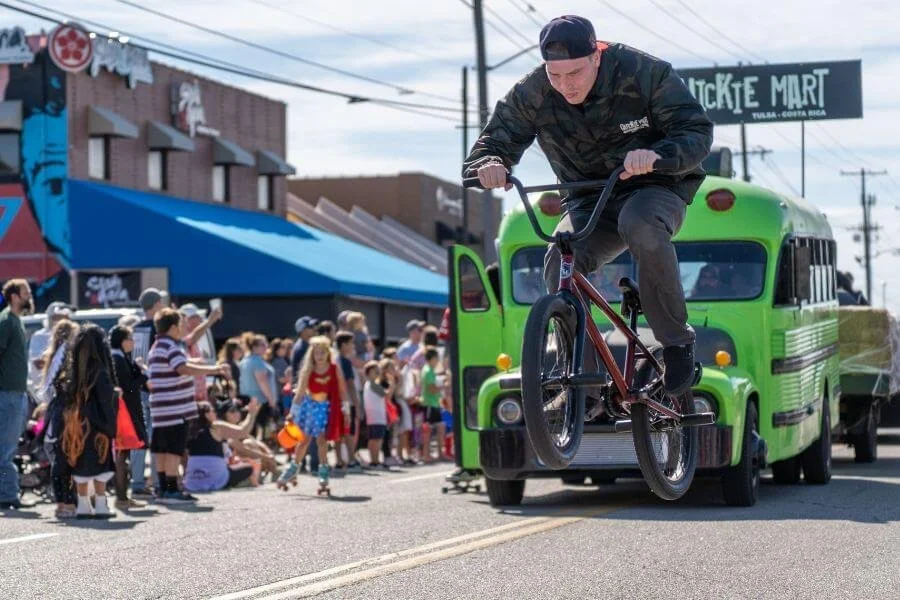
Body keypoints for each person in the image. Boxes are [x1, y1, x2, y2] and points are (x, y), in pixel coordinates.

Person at [463, 15, 713, 395]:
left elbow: (695, 130)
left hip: (656, 185)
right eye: (555, 75)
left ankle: (677, 344)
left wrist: (657, 154)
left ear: (596, 55)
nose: (566, 85)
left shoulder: (644, 72)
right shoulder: (533, 92)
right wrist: (489, 164)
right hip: (588, 198)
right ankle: (576, 368)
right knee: (559, 255)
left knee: (641, 224)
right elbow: (493, 142)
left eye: (575, 73)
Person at [148, 308, 230, 504]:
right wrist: (215, 369)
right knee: (174, 451)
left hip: (161, 409)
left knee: (162, 450)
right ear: (173, 327)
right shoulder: (171, 347)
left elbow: (181, 363)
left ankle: (164, 489)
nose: (184, 326)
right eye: (181, 323)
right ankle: (172, 490)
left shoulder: (159, 345)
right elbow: (182, 368)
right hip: (175, 410)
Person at [60, 325, 119, 519]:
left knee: (80, 463)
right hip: (99, 428)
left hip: (76, 427)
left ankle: (83, 504)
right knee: (101, 463)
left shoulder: (74, 372)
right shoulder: (101, 372)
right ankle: (101, 504)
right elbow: (106, 404)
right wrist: (111, 427)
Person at [281, 336, 346, 489]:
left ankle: (323, 471)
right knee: (304, 441)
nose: (320, 356)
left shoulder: (334, 369)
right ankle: (293, 468)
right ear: (312, 354)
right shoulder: (308, 369)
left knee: (322, 440)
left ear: (328, 353)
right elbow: (300, 392)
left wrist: (346, 406)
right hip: (309, 407)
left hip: (325, 407)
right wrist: (293, 412)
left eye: (323, 352)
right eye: (317, 353)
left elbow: (342, 389)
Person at [0, 279, 36, 510]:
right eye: (26, 292)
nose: (29, 296)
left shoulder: (15, 321)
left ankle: (7, 492)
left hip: (15, 392)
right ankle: (7, 494)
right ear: (14, 296)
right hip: (8, 393)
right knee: (6, 446)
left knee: (8, 445)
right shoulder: (6, 321)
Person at [38, 319, 80, 518]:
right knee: (68, 456)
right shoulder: (67, 354)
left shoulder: (54, 355)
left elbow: (46, 390)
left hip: (55, 409)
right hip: (66, 409)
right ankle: (68, 502)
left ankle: (61, 503)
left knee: (59, 458)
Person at [129, 287, 166, 498]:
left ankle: (137, 481)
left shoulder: (135, 328)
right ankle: (158, 481)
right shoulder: (158, 329)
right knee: (155, 435)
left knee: (139, 436)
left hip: (137, 387)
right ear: (157, 304)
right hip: (154, 387)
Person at [108, 325, 149, 510]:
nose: (133, 341)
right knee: (121, 454)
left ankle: (123, 496)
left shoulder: (119, 357)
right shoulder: (117, 358)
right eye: (130, 338)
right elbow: (129, 386)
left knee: (123, 454)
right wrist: (144, 374)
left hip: (125, 410)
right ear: (122, 340)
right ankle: (122, 497)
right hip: (125, 411)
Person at [183, 400, 260, 493]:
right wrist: (251, 414)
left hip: (192, 480)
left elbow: (184, 458)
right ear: (206, 415)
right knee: (249, 467)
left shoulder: (189, 429)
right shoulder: (215, 426)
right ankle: (252, 485)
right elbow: (242, 432)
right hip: (218, 479)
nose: (215, 413)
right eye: (213, 411)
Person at [290, 316, 319, 471]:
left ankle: (304, 463)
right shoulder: (303, 348)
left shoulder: (305, 346)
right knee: (310, 429)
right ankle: (312, 463)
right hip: (305, 394)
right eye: (310, 327)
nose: (314, 329)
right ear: (302, 330)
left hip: (304, 393)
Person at [179, 303, 223, 404]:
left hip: (199, 396)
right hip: (190, 397)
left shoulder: (193, 338)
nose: (200, 319)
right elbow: (192, 338)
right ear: (187, 320)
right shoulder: (181, 340)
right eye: (196, 316)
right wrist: (210, 321)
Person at [27, 301, 72, 393]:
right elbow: (38, 363)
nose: (67, 320)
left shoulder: (72, 336)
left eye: (67, 317)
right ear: (53, 318)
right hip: (44, 389)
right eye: (62, 317)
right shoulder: (39, 336)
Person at [238, 335, 278, 439]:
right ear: (254, 347)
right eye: (263, 344)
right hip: (260, 401)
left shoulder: (245, 360)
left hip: (247, 399)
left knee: (251, 430)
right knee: (261, 431)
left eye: (266, 344)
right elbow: (262, 382)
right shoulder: (257, 362)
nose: (266, 346)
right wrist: (271, 400)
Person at [335, 331, 363, 471]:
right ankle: (351, 460)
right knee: (348, 431)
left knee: (339, 431)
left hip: (337, 401)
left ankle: (340, 460)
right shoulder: (344, 361)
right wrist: (357, 405)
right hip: (347, 401)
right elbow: (350, 384)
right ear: (344, 344)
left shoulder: (335, 359)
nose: (353, 346)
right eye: (351, 343)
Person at [418, 347, 448, 464]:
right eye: (437, 358)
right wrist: (442, 385)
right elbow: (431, 389)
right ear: (433, 358)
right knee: (428, 430)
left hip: (434, 403)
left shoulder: (429, 370)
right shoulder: (428, 371)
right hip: (429, 404)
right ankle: (426, 455)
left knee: (440, 428)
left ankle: (440, 453)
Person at [362, 361, 389, 469]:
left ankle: (374, 460)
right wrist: (392, 384)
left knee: (375, 439)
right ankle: (375, 461)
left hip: (374, 416)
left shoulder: (369, 384)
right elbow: (386, 394)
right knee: (376, 439)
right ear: (369, 372)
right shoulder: (372, 384)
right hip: (376, 417)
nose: (378, 373)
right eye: (375, 371)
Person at [265, 338, 293, 415]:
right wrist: (291, 379)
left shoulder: (281, 360)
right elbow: (280, 379)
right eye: (283, 347)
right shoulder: (277, 361)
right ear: (277, 349)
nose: (285, 349)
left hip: (279, 395)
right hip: (279, 396)